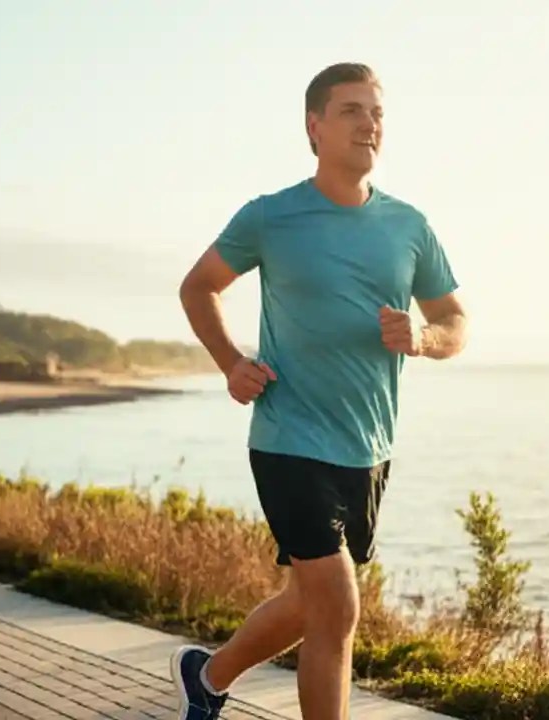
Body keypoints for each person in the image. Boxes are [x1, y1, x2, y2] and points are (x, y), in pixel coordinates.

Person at [172, 62, 469, 720]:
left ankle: (208, 676)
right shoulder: (271, 217)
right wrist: (229, 362)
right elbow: (199, 287)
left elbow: (456, 321)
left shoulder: (409, 227)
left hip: (368, 445)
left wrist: (422, 338)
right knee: (339, 604)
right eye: (352, 111)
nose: (370, 123)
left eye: (378, 113)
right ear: (315, 127)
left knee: (313, 606)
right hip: (287, 435)